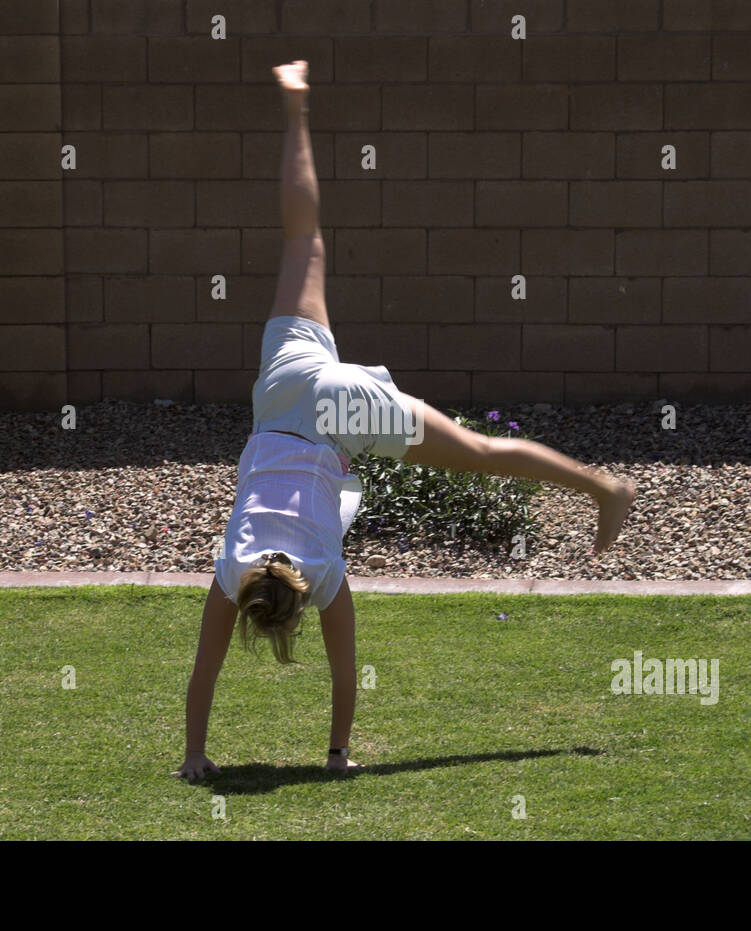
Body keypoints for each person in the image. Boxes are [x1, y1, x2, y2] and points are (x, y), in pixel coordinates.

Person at [173, 62, 636, 780]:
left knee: (477, 451)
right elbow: (203, 676)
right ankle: (294, 106)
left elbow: (343, 671)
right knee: (303, 243)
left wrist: (333, 756)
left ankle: (606, 490)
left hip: (334, 415)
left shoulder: (319, 574)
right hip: (284, 392)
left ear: (284, 613)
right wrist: (192, 754)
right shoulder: (235, 564)